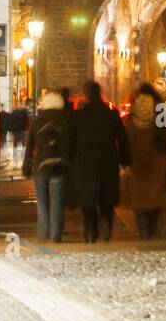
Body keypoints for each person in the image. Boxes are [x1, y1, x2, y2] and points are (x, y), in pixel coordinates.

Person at [73, 80, 130, 243]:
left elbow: (71, 139)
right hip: (108, 160)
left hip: (86, 162)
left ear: (87, 94)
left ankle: (90, 231)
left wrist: (70, 158)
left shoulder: (80, 116)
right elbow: (123, 138)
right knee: (107, 196)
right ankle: (106, 221)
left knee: (88, 198)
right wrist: (125, 160)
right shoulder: (111, 115)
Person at [124, 83, 166, 240]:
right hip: (156, 155)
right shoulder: (161, 109)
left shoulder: (133, 111)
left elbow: (128, 134)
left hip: (137, 156)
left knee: (139, 195)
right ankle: (155, 224)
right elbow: (165, 134)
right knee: (155, 192)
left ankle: (143, 231)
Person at [22, 92, 71, 242]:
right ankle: (56, 235)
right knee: (57, 201)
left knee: (42, 202)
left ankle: (43, 233)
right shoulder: (65, 122)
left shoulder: (37, 122)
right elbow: (69, 146)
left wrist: (26, 166)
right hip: (59, 166)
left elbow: (29, 146)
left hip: (41, 166)